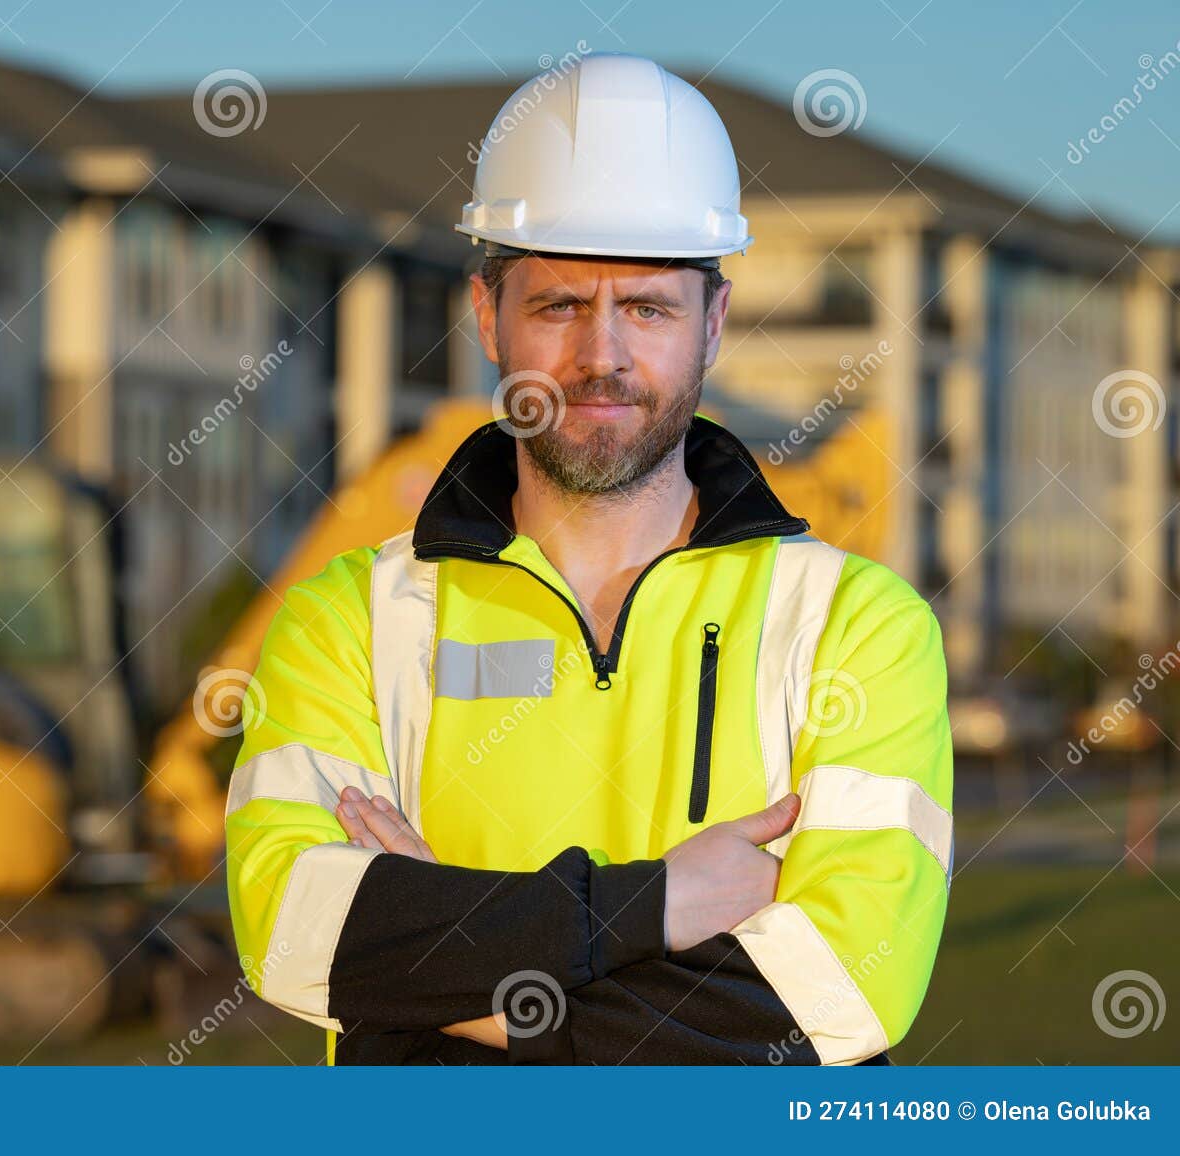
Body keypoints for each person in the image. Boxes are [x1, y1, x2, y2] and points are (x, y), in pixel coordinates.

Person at [224, 52, 952, 1065]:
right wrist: (657, 904)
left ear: (713, 323)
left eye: (647, 307)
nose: (600, 356)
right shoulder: (347, 619)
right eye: (560, 304)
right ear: (489, 316)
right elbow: (301, 939)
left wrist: (450, 987)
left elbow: (833, 997)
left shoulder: (857, 624)